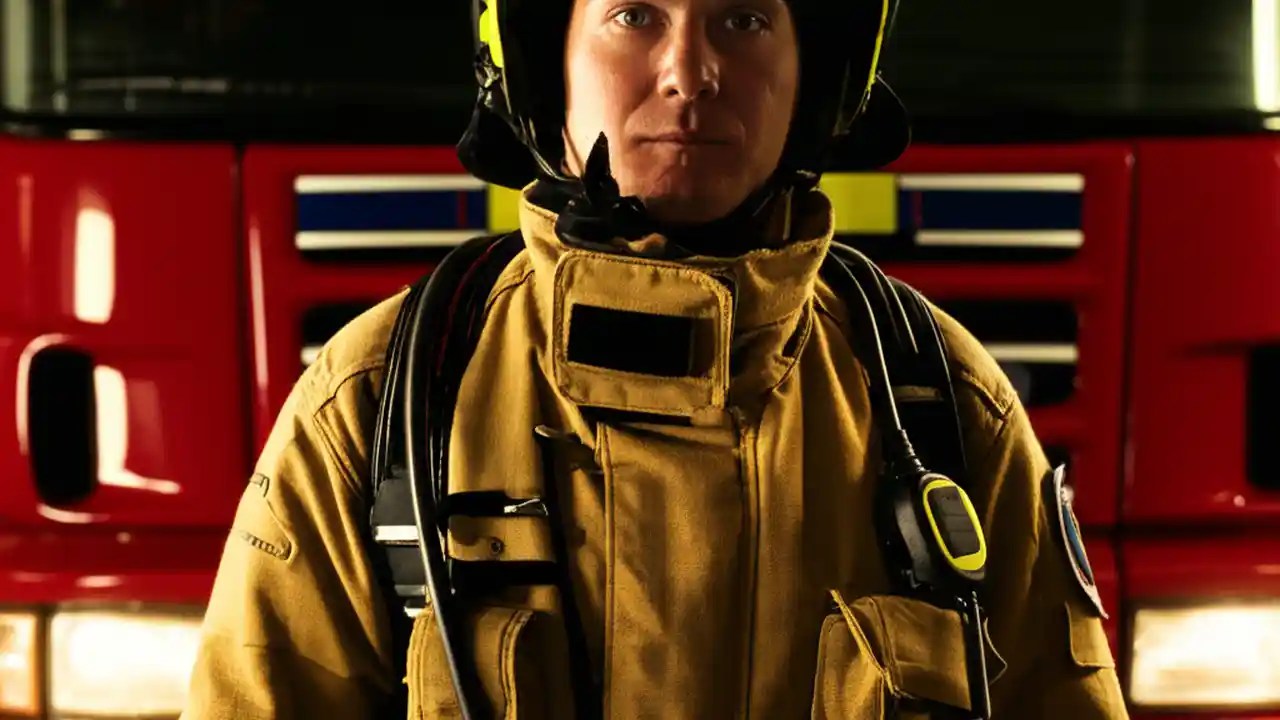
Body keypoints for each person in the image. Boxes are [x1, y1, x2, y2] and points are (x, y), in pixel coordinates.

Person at [182, 0, 1130, 718]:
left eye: (743, 20)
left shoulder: (947, 406)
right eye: (634, 16)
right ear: (542, 63)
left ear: (819, 73)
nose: (690, 72)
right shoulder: (375, 402)